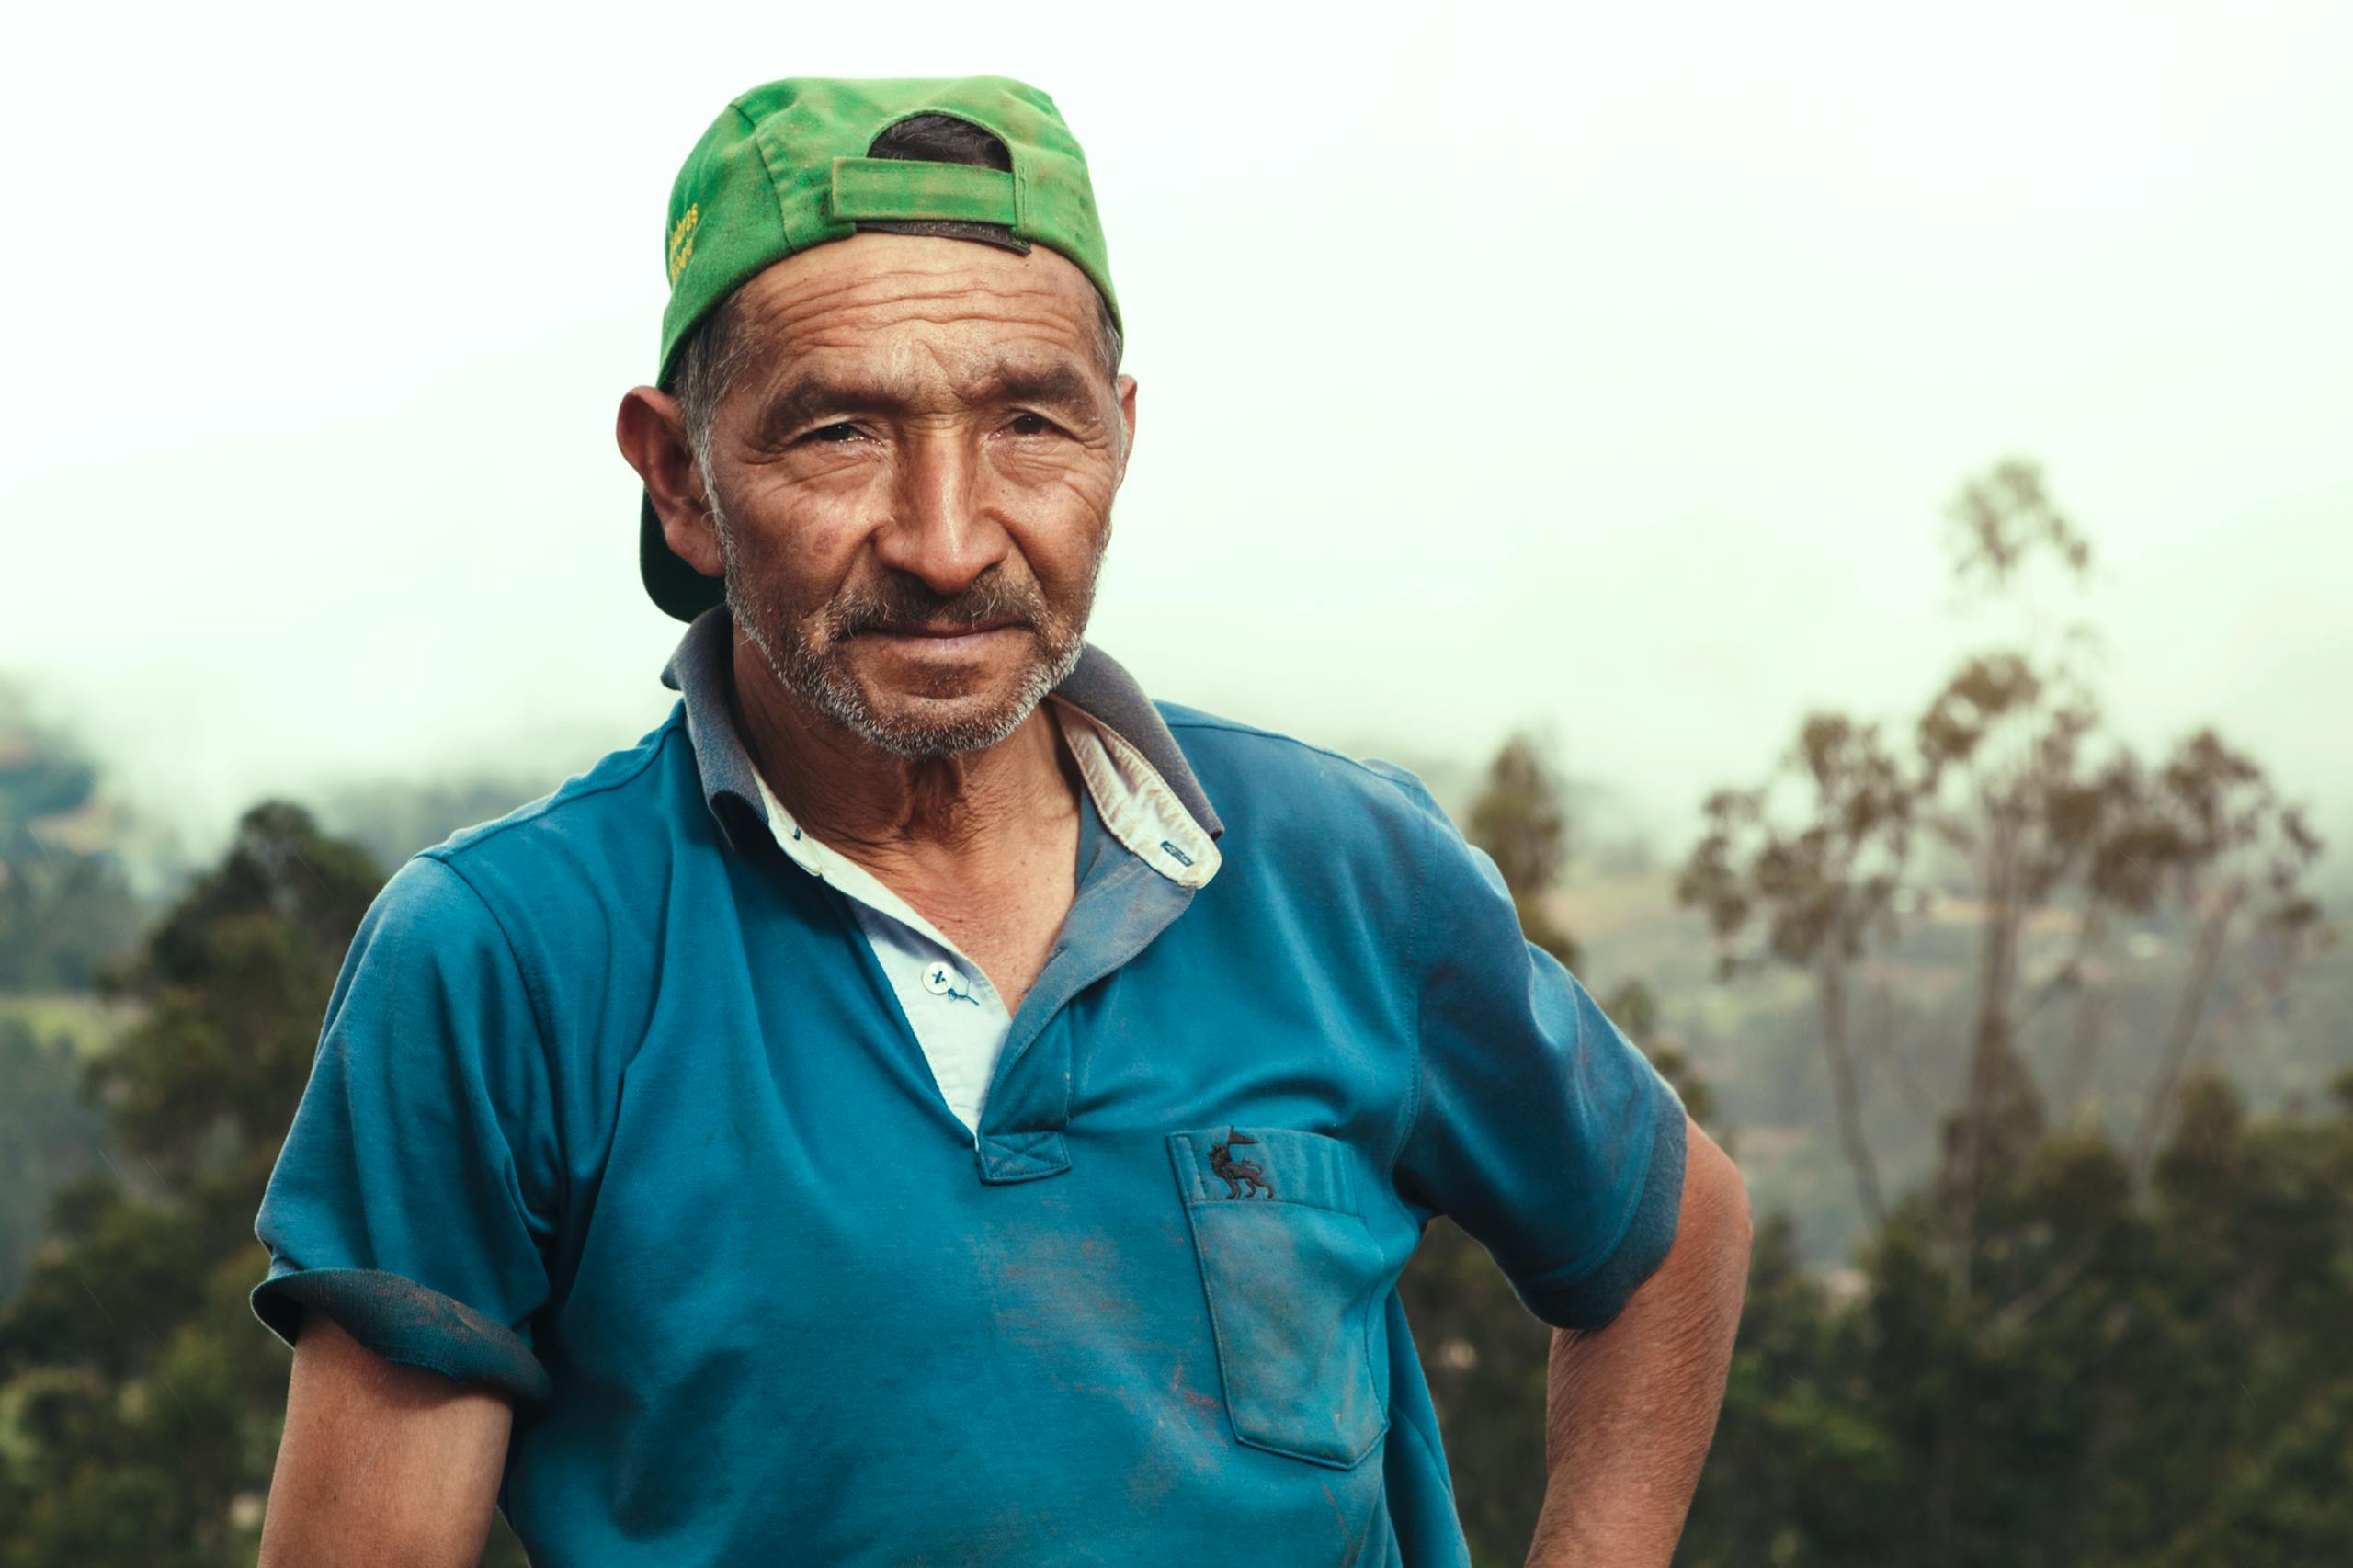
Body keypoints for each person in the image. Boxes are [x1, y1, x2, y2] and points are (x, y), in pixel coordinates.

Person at [247, 74, 1753, 1566]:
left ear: (1120, 442)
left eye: (1032, 423)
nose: (949, 540)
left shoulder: (1342, 871)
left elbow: (1670, 1233)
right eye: (838, 431)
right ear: (681, 480)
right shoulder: (509, 956)